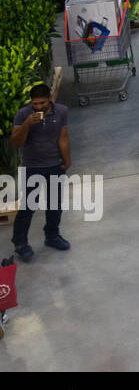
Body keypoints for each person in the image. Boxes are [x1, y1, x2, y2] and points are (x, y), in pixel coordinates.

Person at [8, 84, 71, 262]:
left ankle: (52, 236)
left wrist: (67, 160)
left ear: (50, 98)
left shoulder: (61, 111)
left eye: (42, 103)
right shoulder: (23, 114)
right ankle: (20, 243)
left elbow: (63, 137)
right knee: (28, 207)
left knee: (55, 205)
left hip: (55, 165)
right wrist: (27, 123)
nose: (38, 107)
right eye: (35, 103)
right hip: (32, 167)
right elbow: (15, 142)